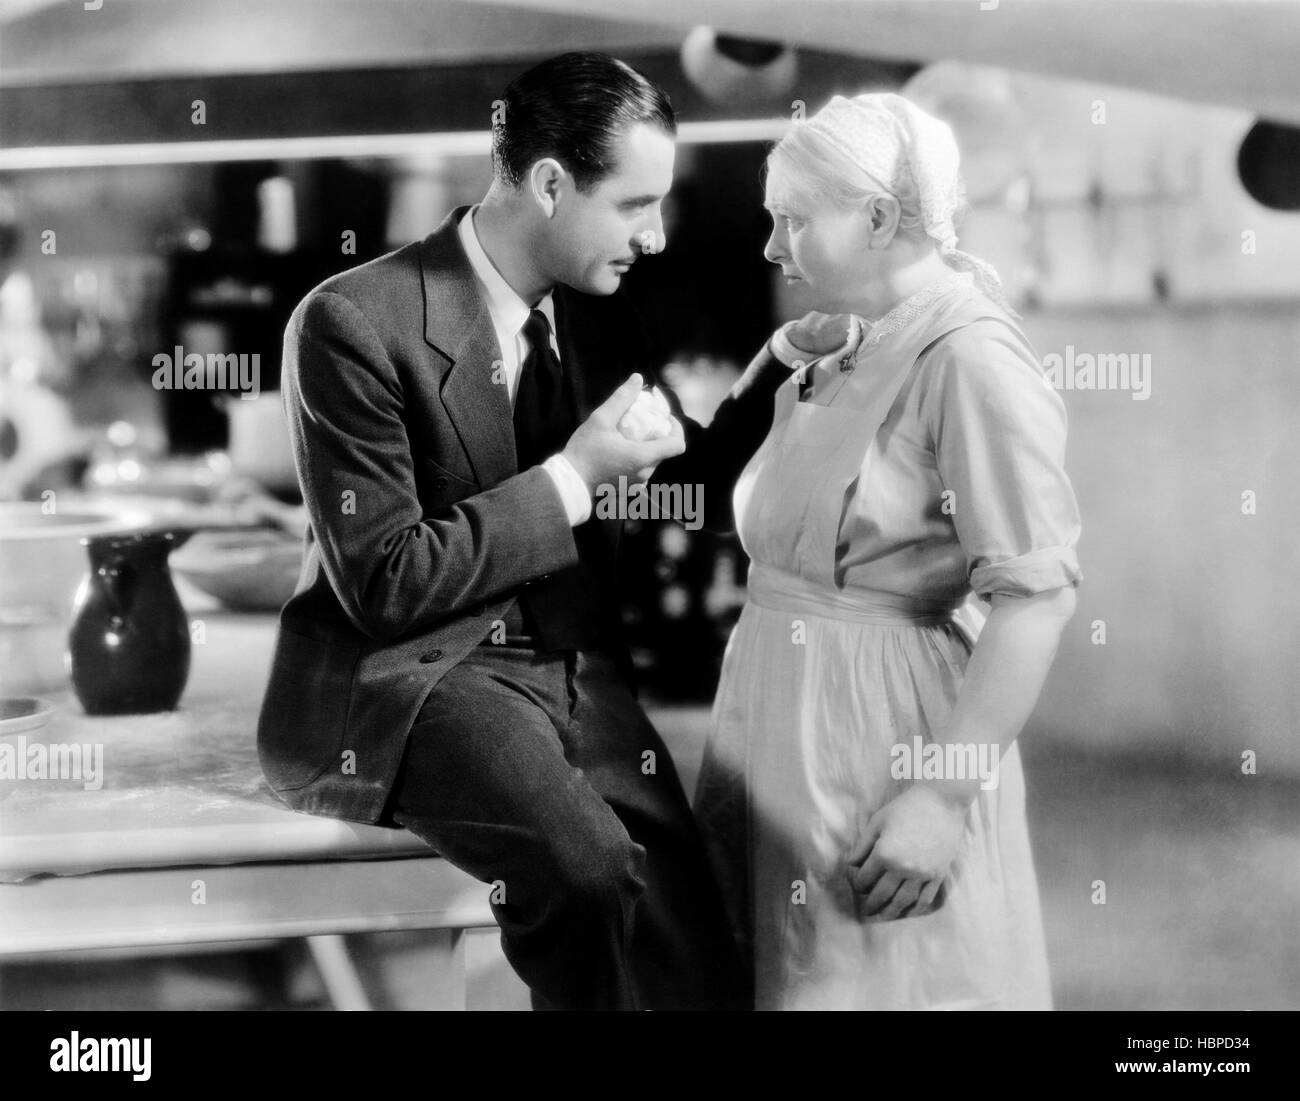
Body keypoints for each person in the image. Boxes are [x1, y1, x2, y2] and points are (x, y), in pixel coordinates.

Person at [256, 52, 789, 1010]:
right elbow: (385, 581)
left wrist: (779, 367)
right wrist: (574, 476)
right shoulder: (349, 322)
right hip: (422, 668)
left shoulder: (597, 308)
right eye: (634, 204)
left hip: (571, 666)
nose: (656, 236)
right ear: (550, 183)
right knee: (587, 874)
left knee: (698, 921)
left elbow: (679, 482)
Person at [692, 93, 1083, 1010]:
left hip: (883, 731)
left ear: (875, 217)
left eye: (792, 220)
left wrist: (942, 799)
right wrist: (781, 356)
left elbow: (1037, 595)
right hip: (780, 710)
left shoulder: (971, 356)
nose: (771, 247)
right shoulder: (847, 344)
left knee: (884, 986)